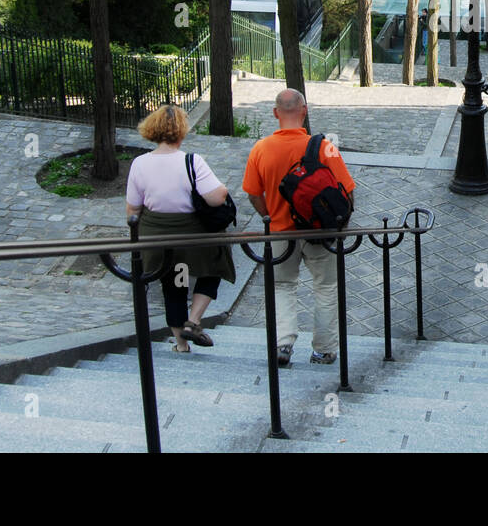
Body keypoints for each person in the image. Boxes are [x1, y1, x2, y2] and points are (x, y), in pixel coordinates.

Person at [242, 89, 357, 366]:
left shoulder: (260, 149)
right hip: (320, 232)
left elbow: (253, 193)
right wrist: (339, 226)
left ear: (275, 113)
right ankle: (324, 349)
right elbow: (348, 190)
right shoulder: (325, 147)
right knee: (326, 287)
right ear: (304, 112)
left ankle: (283, 344)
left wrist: (269, 216)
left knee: (282, 286)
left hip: (281, 231)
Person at [125, 105, 236, 353]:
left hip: (157, 236)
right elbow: (218, 197)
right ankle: (194, 320)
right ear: (181, 131)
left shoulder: (139, 164)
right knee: (213, 267)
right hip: (193, 236)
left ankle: (181, 345)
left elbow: (132, 209)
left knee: (174, 284)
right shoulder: (191, 161)